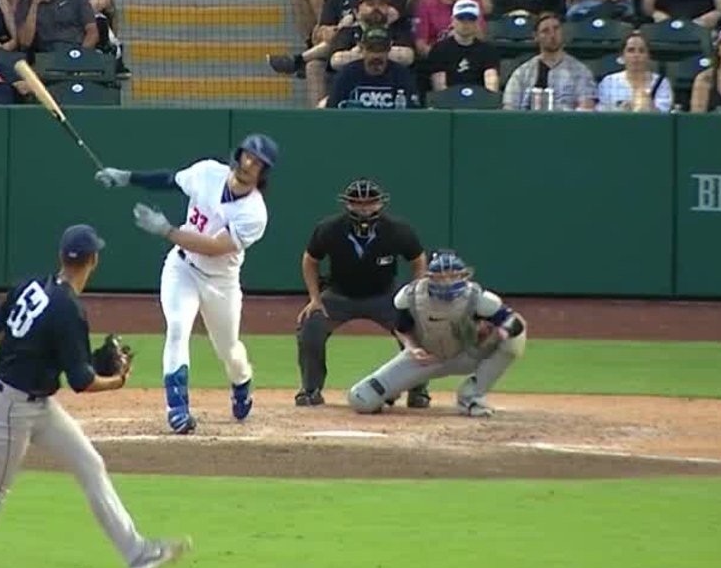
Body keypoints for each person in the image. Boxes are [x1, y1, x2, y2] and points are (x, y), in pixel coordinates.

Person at [0, 224, 191, 568]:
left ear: (61, 257)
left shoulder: (31, 286)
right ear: (94, 261)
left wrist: (29, 347)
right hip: (7, 409)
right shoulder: (69, 309)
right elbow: (82, 382)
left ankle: (137, 553)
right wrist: (117, 381)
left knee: (90, 464)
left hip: (36, 405)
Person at [92, 134, 280, 435]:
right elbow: (170, 180)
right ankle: (177, 408)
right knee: (178, 327)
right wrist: (126, 177)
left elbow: (213, 247)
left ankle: (241, 383)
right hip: (182, 268)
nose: (248, 163)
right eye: (247, 155)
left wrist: (166, 229)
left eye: (257, 162)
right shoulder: (208, 172)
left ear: (263, 172)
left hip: (222, 282)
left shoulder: (254, 213)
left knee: (229, 350)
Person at [347, 250, 528, 418]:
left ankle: (471, 396)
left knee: (514, 341)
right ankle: (392, 391)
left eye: (453, 276)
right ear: (430, 277)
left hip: (468, 354)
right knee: (361, 399)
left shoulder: (478, 298)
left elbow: (515, 322)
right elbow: (401, 328)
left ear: (464, 276)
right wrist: (413, 348)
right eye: (441, 277)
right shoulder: (410, 296)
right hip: (427, 357)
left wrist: (497, 334)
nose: (447, 282)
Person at [296, 178, 428, 407]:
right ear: (347, 204)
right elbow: (310, 259)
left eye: (370, 203)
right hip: (339, 295)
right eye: (357, 203)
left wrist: (415, 295)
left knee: (418, 327)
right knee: (311, 324)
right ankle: (310, 389)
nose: (364, 208)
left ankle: (418, 391)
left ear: (380, 204)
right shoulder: (330, 229)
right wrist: (315, 298)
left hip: (385, 296)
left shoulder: (397, 230)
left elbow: (418, 259)